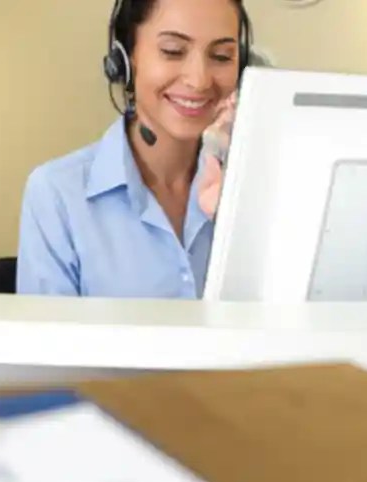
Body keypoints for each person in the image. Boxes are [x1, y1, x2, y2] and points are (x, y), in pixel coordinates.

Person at [16, 0, 250, 299]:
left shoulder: (254, 189)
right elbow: (48, 343)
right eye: (173, 51)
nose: (199, 80)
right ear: (124, 60)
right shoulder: (57, 193)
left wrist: (245, 218)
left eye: (221, 56)